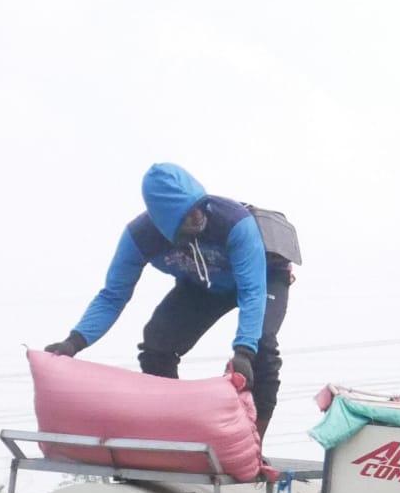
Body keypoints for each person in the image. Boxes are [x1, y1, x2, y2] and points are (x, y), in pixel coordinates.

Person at [42, 162, 299, 436]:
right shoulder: (140, 238)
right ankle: (174, 426)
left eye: (200, 207)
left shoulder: (233, 222)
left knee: (262, 345)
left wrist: (244, 351)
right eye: (187, 216)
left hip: (263, 276)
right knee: (156, 344)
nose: (198, 216)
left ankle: (254, 440)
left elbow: (253, 292)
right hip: (204, 284)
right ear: (165, 222)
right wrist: (75, 341)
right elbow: (112, 296)